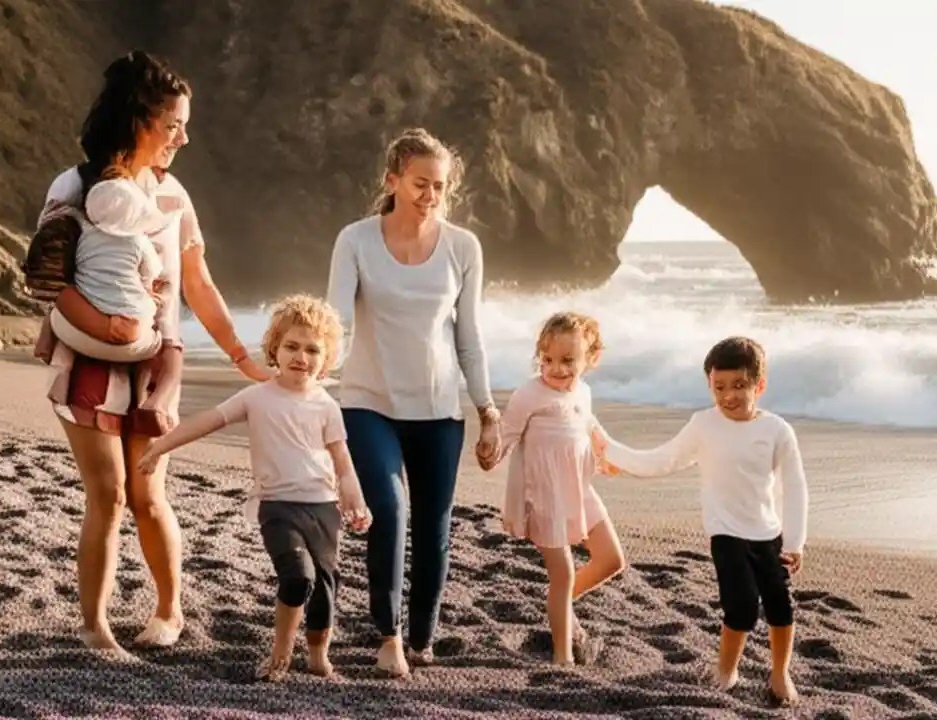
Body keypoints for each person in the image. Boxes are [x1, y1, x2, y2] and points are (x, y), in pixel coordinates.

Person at [33, 50, 268, 657]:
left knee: (147, 494)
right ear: (138, 119)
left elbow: (199, 283)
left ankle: (170, 610)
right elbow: (49, 274)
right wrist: (101, 325)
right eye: (173, 125)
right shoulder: (76, 185)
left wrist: (242, 356)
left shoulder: (172, 194)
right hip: (86, 352)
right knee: (107, 493)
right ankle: (96, 626)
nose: (183, 138)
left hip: (157, 356)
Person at [326, 128, 499, 677]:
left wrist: (487, 410)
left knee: (434, 527)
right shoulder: (354, 240)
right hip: (367, 402)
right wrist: (307, 387)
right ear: (393, 179)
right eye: (421, 183)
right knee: (390, 511)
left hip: (439, 411)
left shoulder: (462, 247)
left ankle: (423, 633)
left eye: (440, 186)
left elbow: (468, 336)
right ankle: (389, 636)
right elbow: (334, 323)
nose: (430, 195)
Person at [138, 295, 371, 680]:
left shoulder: (327, 406)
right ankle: (281, 653)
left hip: (324, 506)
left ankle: (316, 655)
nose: (301, 356)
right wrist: (162, 445)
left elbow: (343, 463)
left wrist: (356, 499)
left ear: (326, 359)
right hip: (277, 505)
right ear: (274, 350)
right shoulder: (256, 396)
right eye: (291, 346)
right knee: (298, 577)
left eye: (313, 350)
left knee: (327, 585)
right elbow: (209, 421)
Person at [594, 337, 808, 703]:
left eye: (739, 386)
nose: (728, 396)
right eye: (719, 387)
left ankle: (779, 673)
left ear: (760, 384)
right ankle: (726, 670)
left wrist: (795, 542)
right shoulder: (703, 425)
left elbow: (795, 486)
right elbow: (662, 460)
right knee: (740, 607)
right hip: (726, 533)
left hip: (769, 534)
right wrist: (611, 451)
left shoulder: (777, 431)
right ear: (709, 384)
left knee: (781, 605)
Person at [484, 312, 626, 666]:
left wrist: (602, 452)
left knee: (611, 559)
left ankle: (560, 605)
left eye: (567, 361)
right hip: (544, 493)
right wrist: (490, 453)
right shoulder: (529, 394)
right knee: (561, 572)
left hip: (579, 488)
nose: (556, 369)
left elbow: (587, 421)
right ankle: (563, 658)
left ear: (590, 359)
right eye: (548, 360)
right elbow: (508, 435)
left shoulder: (584, 391)